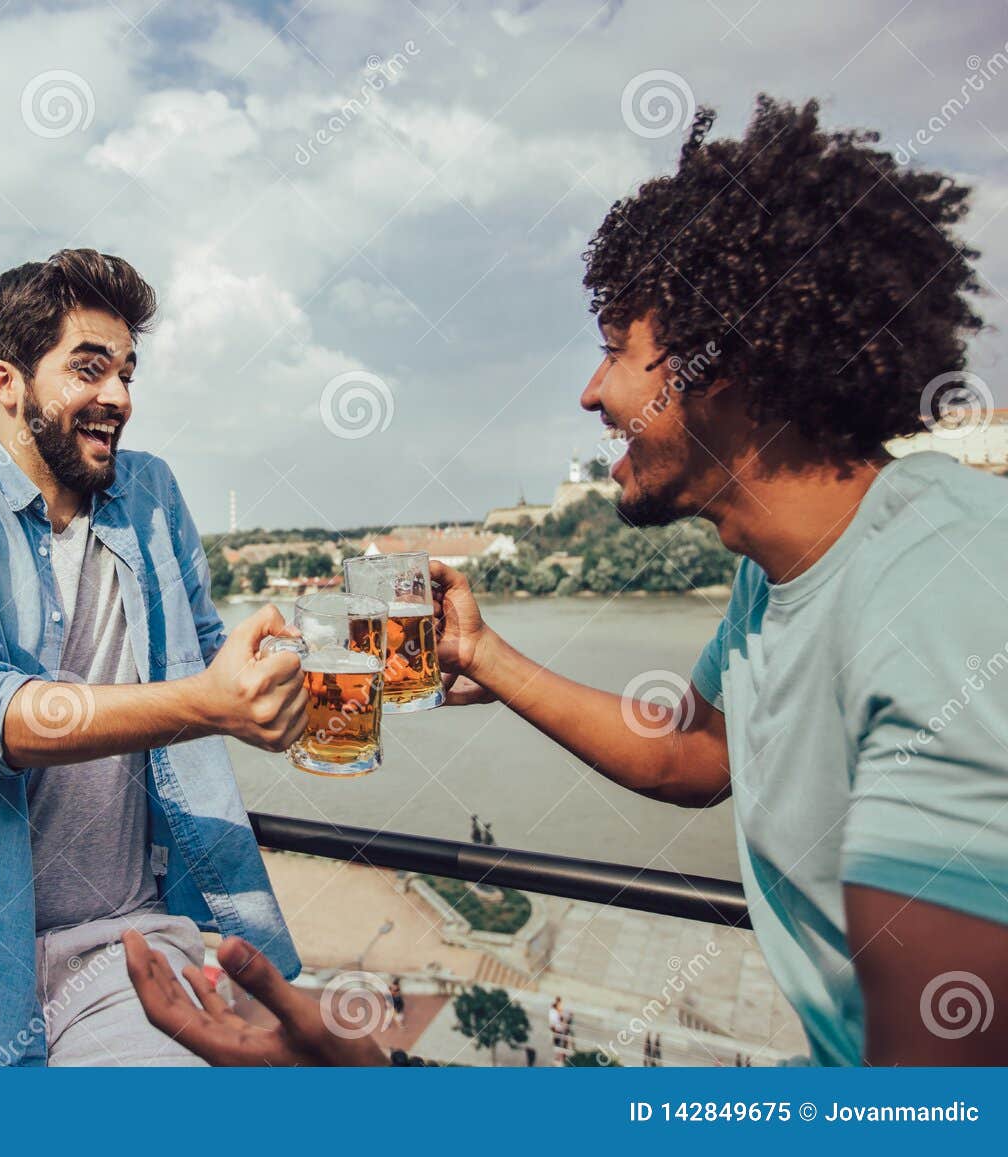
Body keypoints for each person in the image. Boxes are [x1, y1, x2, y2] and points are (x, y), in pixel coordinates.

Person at [124, 96, 1008, 1067]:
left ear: (723, 365)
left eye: (612, 350)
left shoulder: (948, 594)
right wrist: (477, 653)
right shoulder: (777, 573)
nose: (590, 393)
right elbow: (694, 754)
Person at [0, 249, 309, 1067]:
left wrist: (384, 676)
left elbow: (210, 644)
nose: (119, 397)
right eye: (89, 369)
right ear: (6, 380)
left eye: (128, 371)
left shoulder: (149, 493)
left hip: (125, 948)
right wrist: (207, 701)